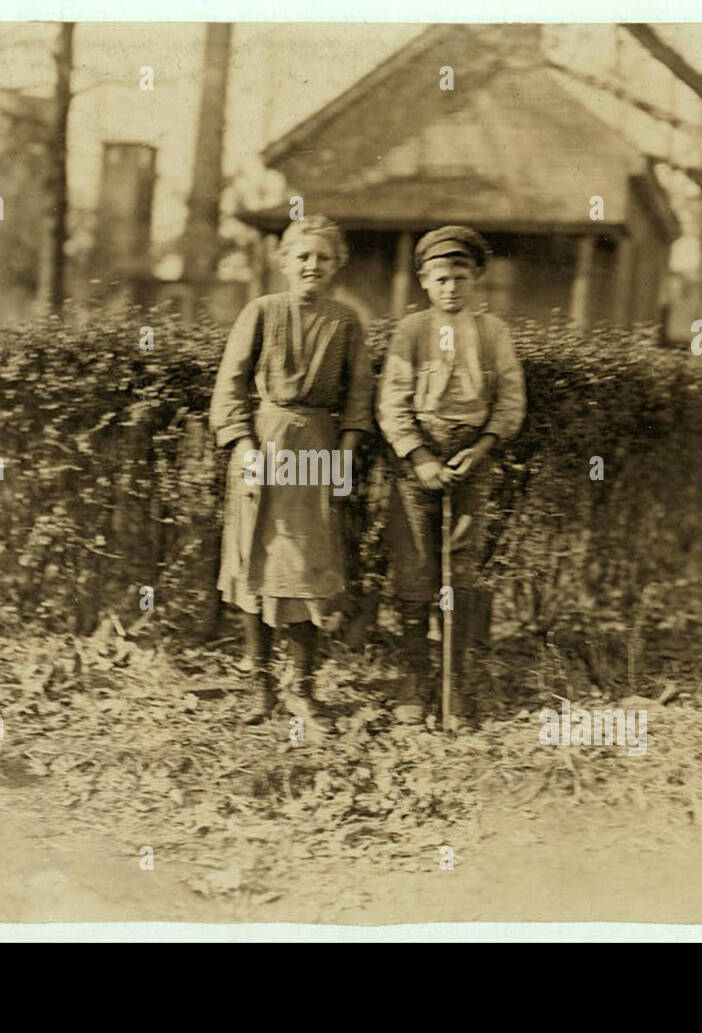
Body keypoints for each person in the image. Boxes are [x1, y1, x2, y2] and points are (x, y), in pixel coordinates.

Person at [209, 216, 374, 730]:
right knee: (253, 561)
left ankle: (302, 688)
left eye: (323, 258)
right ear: (283, 262)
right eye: (302, 256)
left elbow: (359, 395)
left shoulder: (346, 322)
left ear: (337, 265)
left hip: (319, 448)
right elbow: (230, 384)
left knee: (306, 567)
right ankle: (261, 689)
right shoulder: (260, 312)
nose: (312, 266)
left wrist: (344, 452)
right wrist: (242, 445)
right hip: (262, 444)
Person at [376, 225, 525, 729]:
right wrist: (418, 457)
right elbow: (392, 400)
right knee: (415, 565)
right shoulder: (411, 330)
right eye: (440, 278)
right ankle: (414, 680)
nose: (451, 287)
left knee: (459, 569)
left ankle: (453, 684)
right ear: (424, 281)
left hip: (470, 459)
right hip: (416, 458)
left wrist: (482, 448)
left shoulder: (493, 332)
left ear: (476, 279)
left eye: (461, 277)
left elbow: (509, 397)